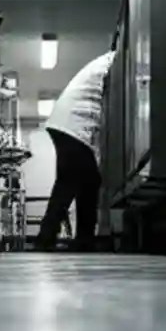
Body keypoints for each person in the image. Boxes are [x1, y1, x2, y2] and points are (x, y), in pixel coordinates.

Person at [34, 51, 116, 251]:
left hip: (66, 123)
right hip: (73, 124)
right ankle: (60, 239)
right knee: (72, 182)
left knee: (81, 181)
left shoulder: (107, 61)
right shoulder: (117, 60)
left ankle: (73, 238)